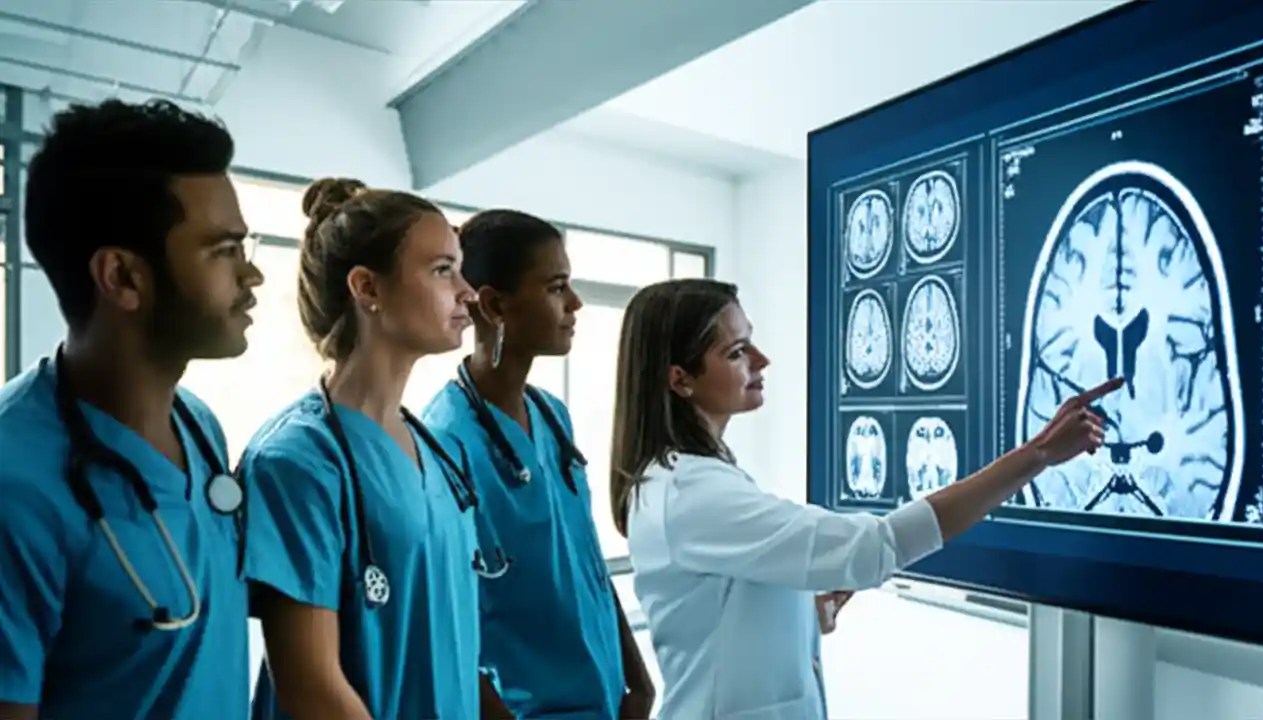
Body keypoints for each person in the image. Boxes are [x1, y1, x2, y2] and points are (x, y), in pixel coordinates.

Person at [611, 278, 1122, 720]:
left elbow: (713, 618)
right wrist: (1036, 455)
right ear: (679, 380)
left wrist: (798, 615)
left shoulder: (687, 479)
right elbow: (877, 544)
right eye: (737, 351)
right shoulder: (693, 492)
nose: (762, 360)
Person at [0, 99, 263, 719]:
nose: (250, 274)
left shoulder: (198, 425)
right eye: (223, 250)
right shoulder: (16, 487)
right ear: (121, 276)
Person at [240, 178, 484, 720]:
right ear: (367, 288)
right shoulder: (298, 460)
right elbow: (312, 691)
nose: (468, 290)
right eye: (443, 269)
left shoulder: (436, 454)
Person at [422, 209, 655, 719]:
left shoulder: (553, 416)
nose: (575, 303)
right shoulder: (444, 440)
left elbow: (585, 559)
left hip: (609, 704)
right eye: (556, 288)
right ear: (493, 304)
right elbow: (444, 624)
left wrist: (639, 683)